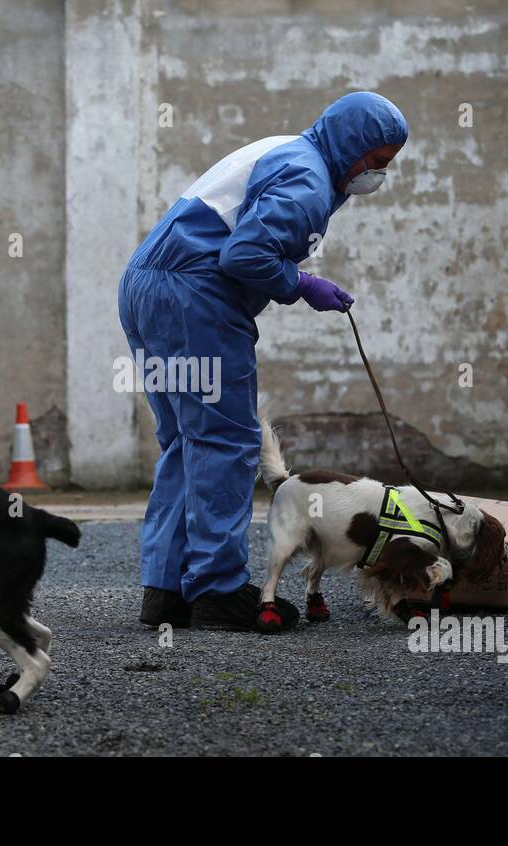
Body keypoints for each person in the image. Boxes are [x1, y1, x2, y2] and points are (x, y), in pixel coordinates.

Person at [119, 92, 408, 631]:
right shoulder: (308, 179)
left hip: (146, 288)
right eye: (377, 161)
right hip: (196, 298)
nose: (379, 175)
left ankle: (167, 589)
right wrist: (301, 283)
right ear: (353, 145)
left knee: (186, 442)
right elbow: (244, 255)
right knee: (226, 441)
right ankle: (218, 590)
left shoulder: (285, 149)